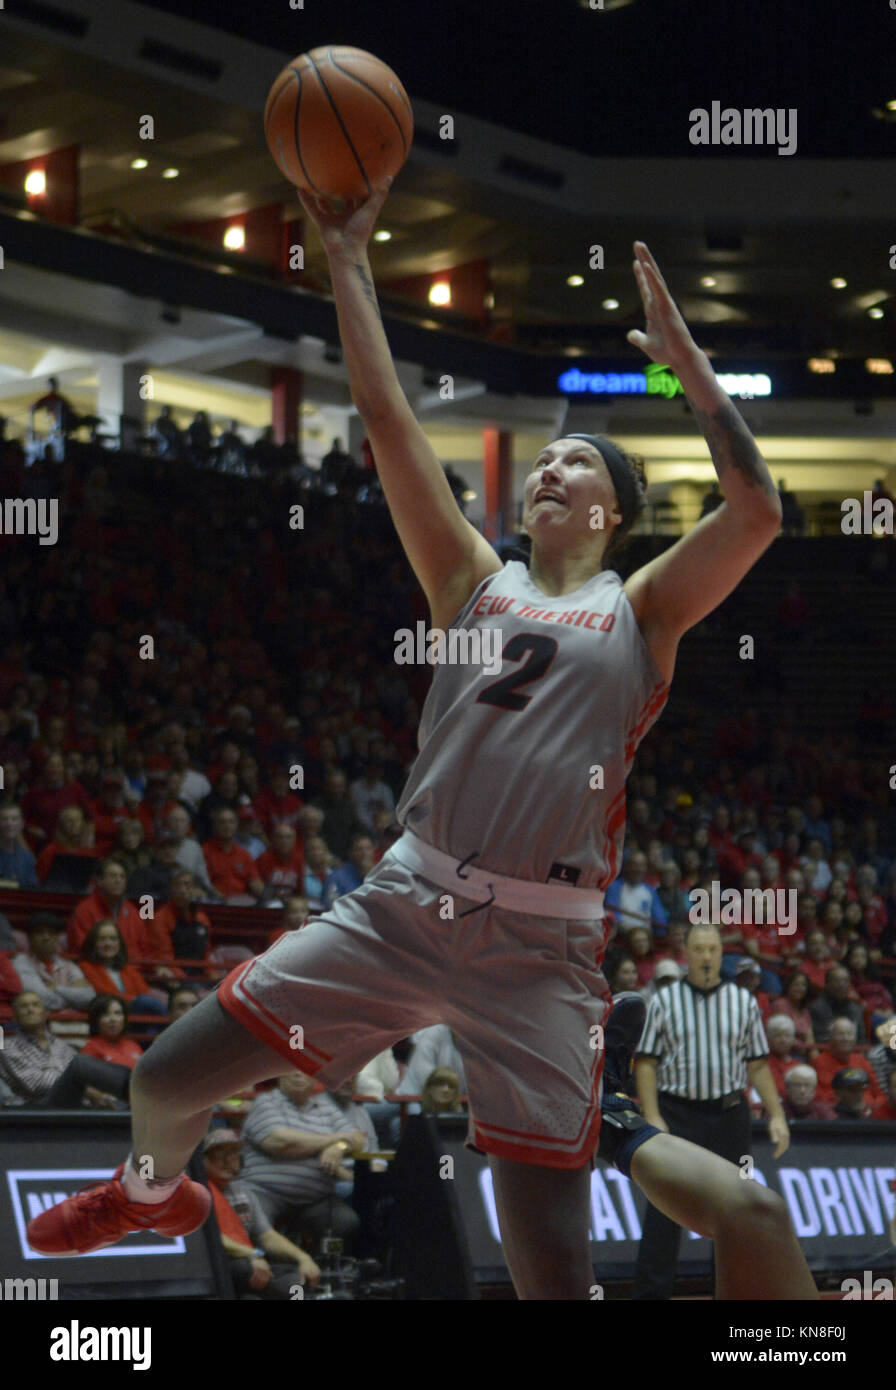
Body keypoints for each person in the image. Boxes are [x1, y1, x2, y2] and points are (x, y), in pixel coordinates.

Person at [27, 205, 785, 1297]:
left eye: (575, 464)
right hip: (401, 903)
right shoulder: (470, 579)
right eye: (542, 460)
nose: (546, 471)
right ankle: (150, 1193)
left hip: (539, 951)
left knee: (551, 1277)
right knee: (165, 1074)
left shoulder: (645, 610)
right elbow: (387, 421)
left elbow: (755, 508)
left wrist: (689, 374)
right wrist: (343, 256)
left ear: (613, 514)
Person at [632, 923, 788, 1300]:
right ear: (686, 953)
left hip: (730, 1116)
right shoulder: (664, 1002)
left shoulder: (743, 1002)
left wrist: (777, 1114)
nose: (705, 956)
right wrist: (652, 1115)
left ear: (722, 954)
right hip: (676, 1114)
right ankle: (652, 1295)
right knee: (664, 1212)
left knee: (736, 1212)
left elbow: (757, 1065)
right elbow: (647, 1063)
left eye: (712, 949)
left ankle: (734, 1292)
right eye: (698, 949)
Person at [238, 1072, 368, 1253]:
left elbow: (358, 1139)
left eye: (304, 1072)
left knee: (345, 1221)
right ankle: (276, 1273)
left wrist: (338, 1147)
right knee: (250, 1221)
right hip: (265, 1191)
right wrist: (337, 1139)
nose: (298, 1075)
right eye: (291, 1070)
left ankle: (317, 1273)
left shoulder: (325, 1108)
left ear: (315, 1080)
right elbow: (280, 1142)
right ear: (280, 1076)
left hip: (314, 1198)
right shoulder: (266, 1102)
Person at [201, 1128, 320, 1299]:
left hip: (252, 1266)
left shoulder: (244, 1192)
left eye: (233, 1153)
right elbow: (210, 1237)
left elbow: (267, 1236)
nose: (228, 1160)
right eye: (219, 1154)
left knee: (297, 1274)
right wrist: (252, 1254)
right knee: (245, 1269)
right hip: (219, 1264)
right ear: (204, 1160)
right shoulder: (197, 1193)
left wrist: (303, 1257)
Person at [0, 992, 131, 1109]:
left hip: (72, 1103)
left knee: (83, 1070)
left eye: (35, 1005)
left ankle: (131, 1096)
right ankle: (135, 1087)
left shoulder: (61, 1045)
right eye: (24, 1006)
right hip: (35, 1109)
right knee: (79, 1064)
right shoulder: (7, 1047)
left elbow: (75, 1077)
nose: (30, 1010)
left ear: (45, 1013)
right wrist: (87, 1091)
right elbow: (36, 1084)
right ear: (14, 1017)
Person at [11, 911, 94, 1011]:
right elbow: (42, 999)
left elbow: (89, 996)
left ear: (57, 937)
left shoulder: (69, 965)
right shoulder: (21, 962)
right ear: (30, 938)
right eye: (39, 932)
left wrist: (56, 988)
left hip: (72, 1023)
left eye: (51, 932)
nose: (46, 937)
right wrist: (72, 999)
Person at [813, 1017, 885, 1107]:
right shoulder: (820, 1062)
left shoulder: (861, 1061)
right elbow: (823, 1097)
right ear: (830, 1038)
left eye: (849, 1034)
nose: (845, 1038)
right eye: (840, 1034)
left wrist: (874, 1106)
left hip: (870, 1112)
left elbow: (879, 1093)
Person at [80, 995, 144, 1070]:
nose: (113, 1019)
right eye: (106, 1014)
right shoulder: (90, 1049)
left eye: (117, 1013)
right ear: (96, 1020)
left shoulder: (134, 1046)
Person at [809, 965, 867, 1044]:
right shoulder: (817, 1008)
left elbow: (861, 1040)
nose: (841, 985)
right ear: (827, 983)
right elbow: (820, 1039)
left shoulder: (856, 1009)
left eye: (845, 981)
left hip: (853, 1052)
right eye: (837, 980)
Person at [322, 833, 375, 907]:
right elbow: (330, 906)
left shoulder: (381, 874)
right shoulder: (336, 877)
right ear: (351, 853)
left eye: (368, 849)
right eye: (359, 849)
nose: (364, 853)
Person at [0, 803, 38, 888]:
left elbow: (33, 889)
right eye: (4, 819)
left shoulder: (28, 857)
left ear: (22, 824)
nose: (9, 823)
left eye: (14, 819)